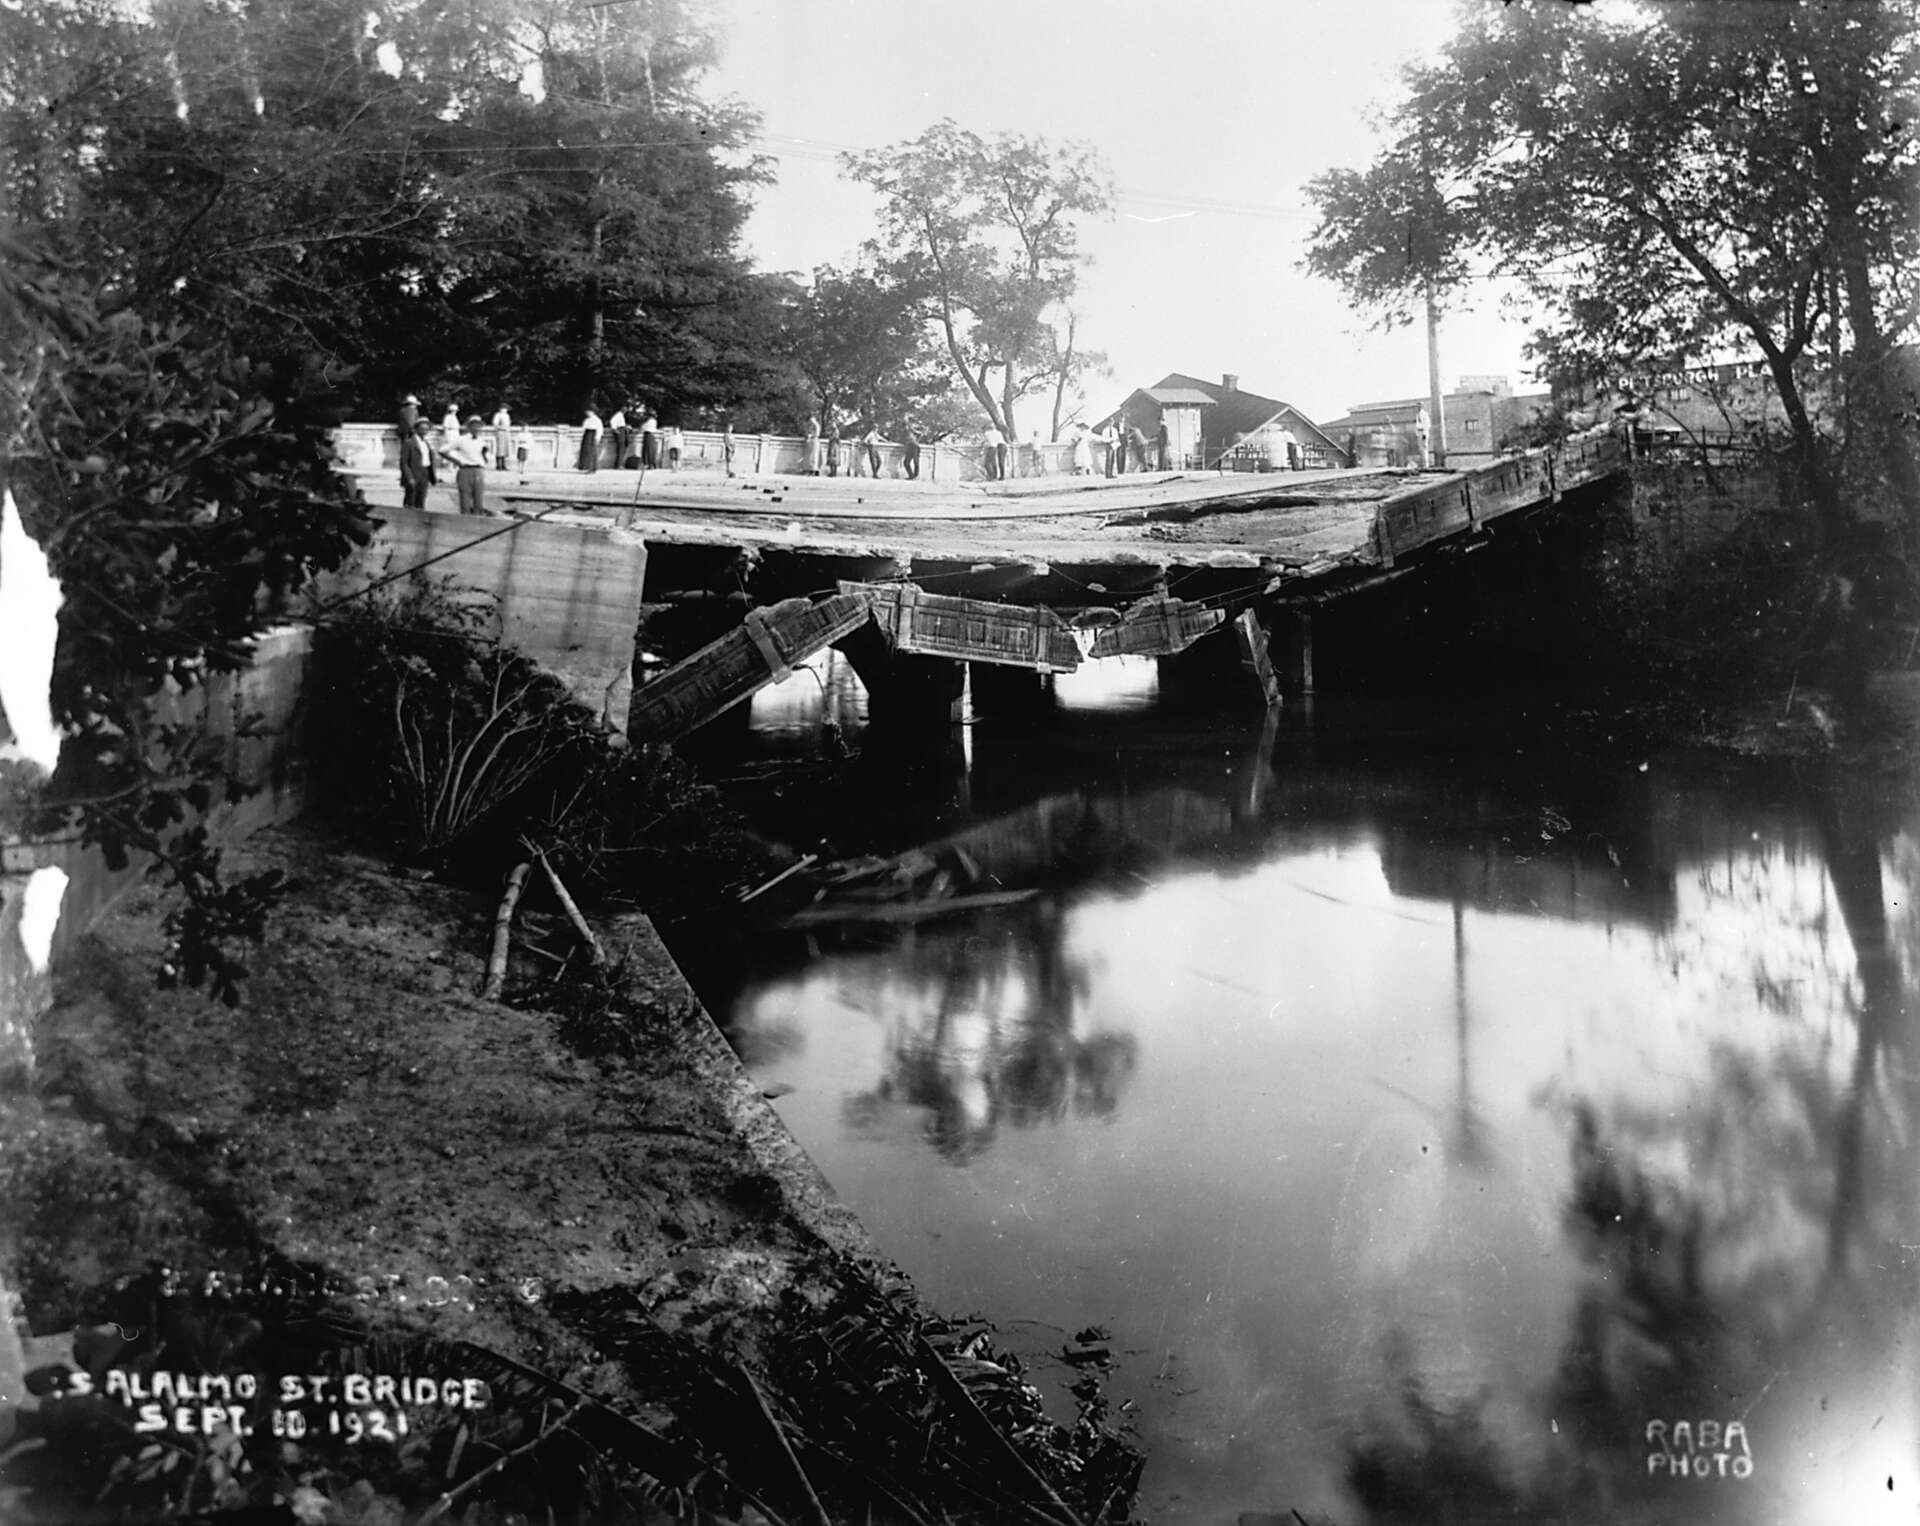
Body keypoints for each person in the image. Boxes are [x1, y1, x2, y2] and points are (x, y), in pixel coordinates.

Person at [439, 415, 490, 515]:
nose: (476, 428)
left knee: (478, 499)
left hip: (479, 470)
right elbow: (442, 450)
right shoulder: (461, 439)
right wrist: (457, 461)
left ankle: (477, 521)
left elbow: (484, 458)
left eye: (478, 426)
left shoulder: (482, 441)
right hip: (465, 469)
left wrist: (484, 455)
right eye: (474, 425)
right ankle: (465, 520)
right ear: (469, 427)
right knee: (465, 498)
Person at [399, 418, 436, 508]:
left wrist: (432, 475)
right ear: (416, 429)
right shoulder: (409, 443)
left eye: (426, 429)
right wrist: (409, 477)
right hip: (414, 472)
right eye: (422, 429)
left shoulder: (426, 443)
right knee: (411, 499)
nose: (424, 431)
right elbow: (404, 463)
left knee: (421, 499)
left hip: (425, 473)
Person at [578, 405, 602, 472]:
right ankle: (586, 467)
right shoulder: (587, 420)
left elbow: (600, 429)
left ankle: (592, 468)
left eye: (589, 411)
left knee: (592, 452)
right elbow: (583, 428)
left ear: (592, 412)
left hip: (593, 434)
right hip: (587, 434)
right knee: (586, 451)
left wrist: (597, 437)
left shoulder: (597, 420)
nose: (587, 413)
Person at [491, 405, 512, 471]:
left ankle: (503, 464)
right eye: (503, 409)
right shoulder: (498, 415)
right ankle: (498, 465)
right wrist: (502, 428)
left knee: (505, 449)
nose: (505, 410)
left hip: (506, 433)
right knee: (500, 449)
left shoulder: (507, 415)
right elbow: (495, 424)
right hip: (500, 432)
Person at [608, 406, 628, 471]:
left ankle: (618, 464)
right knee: (621, 448)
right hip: (620, 431)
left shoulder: (621, 415)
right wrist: (614, 429)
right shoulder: (618, 415)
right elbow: (612, 421)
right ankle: (619, 465)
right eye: (624, 409)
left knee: (621, 448)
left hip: (622, 430)